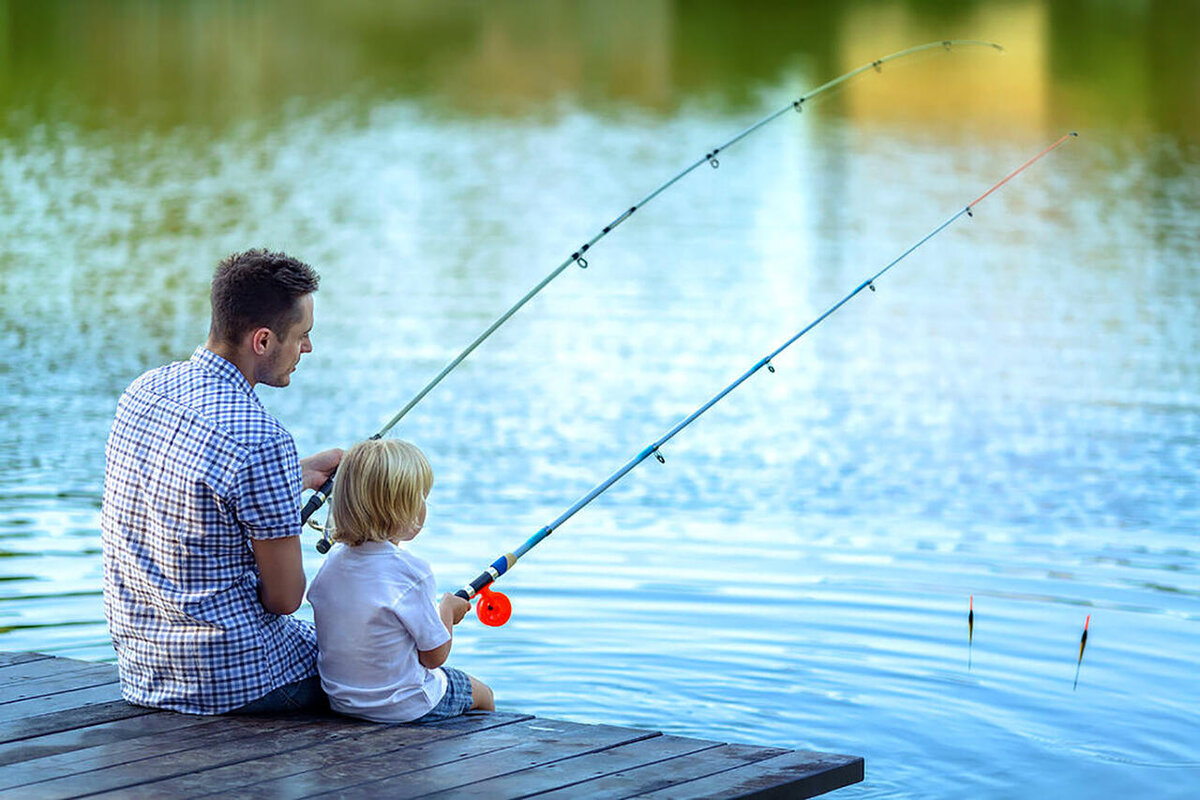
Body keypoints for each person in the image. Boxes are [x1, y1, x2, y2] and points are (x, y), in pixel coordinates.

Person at [101, 248, 342, 715]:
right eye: (303, 336)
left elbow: (190, 490)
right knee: (398, 668)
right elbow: (285, 599)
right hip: (233, 679)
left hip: (144, 670)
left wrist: (299, 473)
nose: (307, 349)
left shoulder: (144, 391)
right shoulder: (262, 439)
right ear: (263, 340)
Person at [306, 438, 494, 723]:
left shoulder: (333, 562)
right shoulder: (412, 572)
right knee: (483, 694)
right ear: (402, 510)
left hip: (342, 701)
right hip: (405, 705)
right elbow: (434, 657)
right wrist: (447, 611)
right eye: (421, 497)